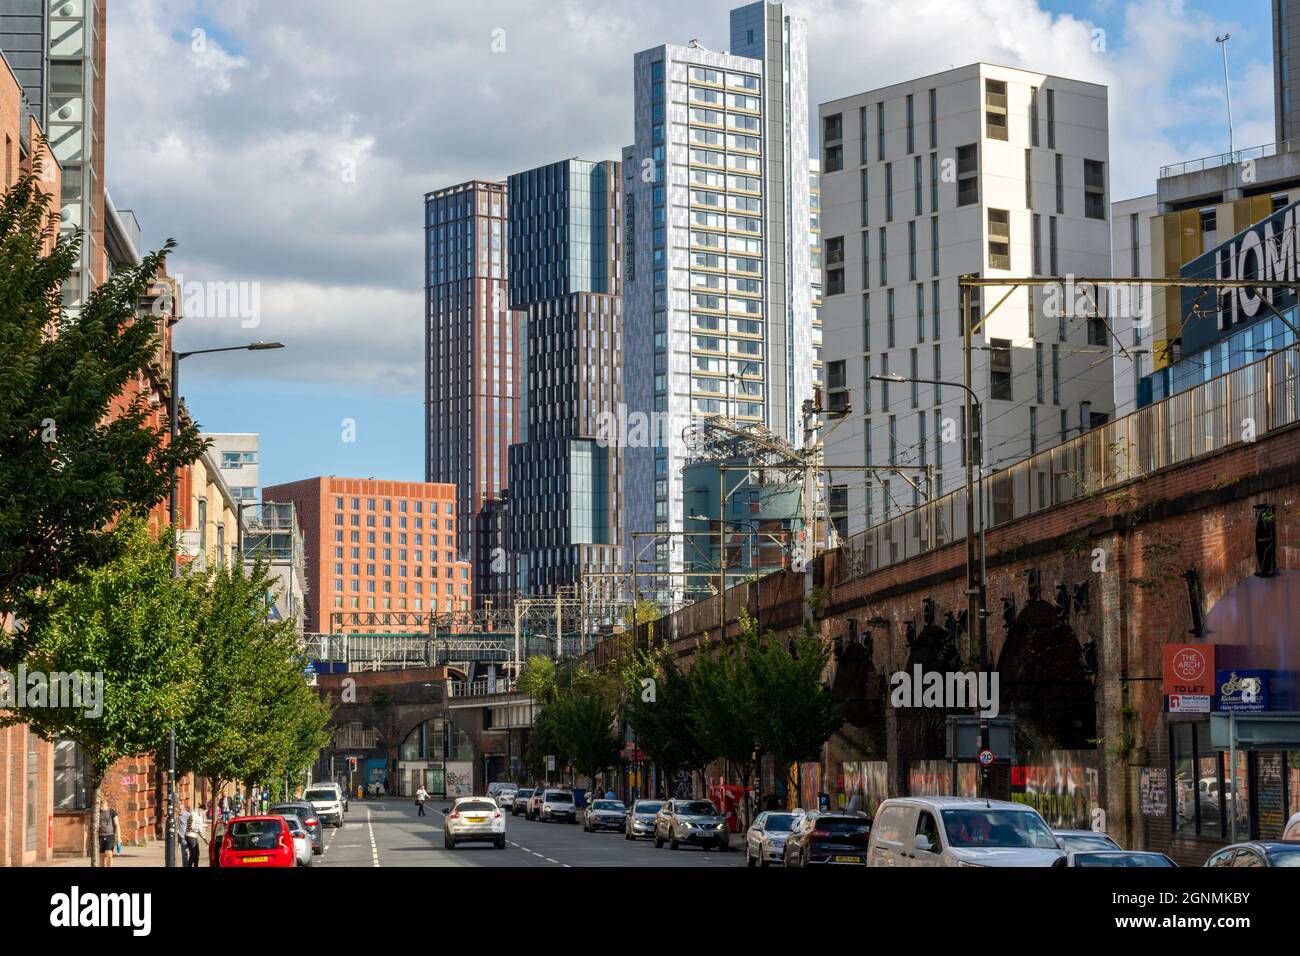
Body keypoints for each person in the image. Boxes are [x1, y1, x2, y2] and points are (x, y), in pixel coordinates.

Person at [98, 799, 120, 867]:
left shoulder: (112, 812)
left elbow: (117, 825)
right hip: (100, 836)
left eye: (103, 806)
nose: (101, 808)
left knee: (109, 854)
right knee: (101, 855)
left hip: (110, 835)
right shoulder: (97, 812)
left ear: (106, 804)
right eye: (100, 806)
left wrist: (118, 837)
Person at [185, 803, 206, 867]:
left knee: (197, 854)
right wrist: (202, 825)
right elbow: (192, 827)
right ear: (201, 810)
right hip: (190, 835)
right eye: (204, 812)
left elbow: (199, 830)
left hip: (194, 836)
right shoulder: (194, 814)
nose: (204, 814)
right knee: (193, 854)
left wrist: (204, 839)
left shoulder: (199, 816)